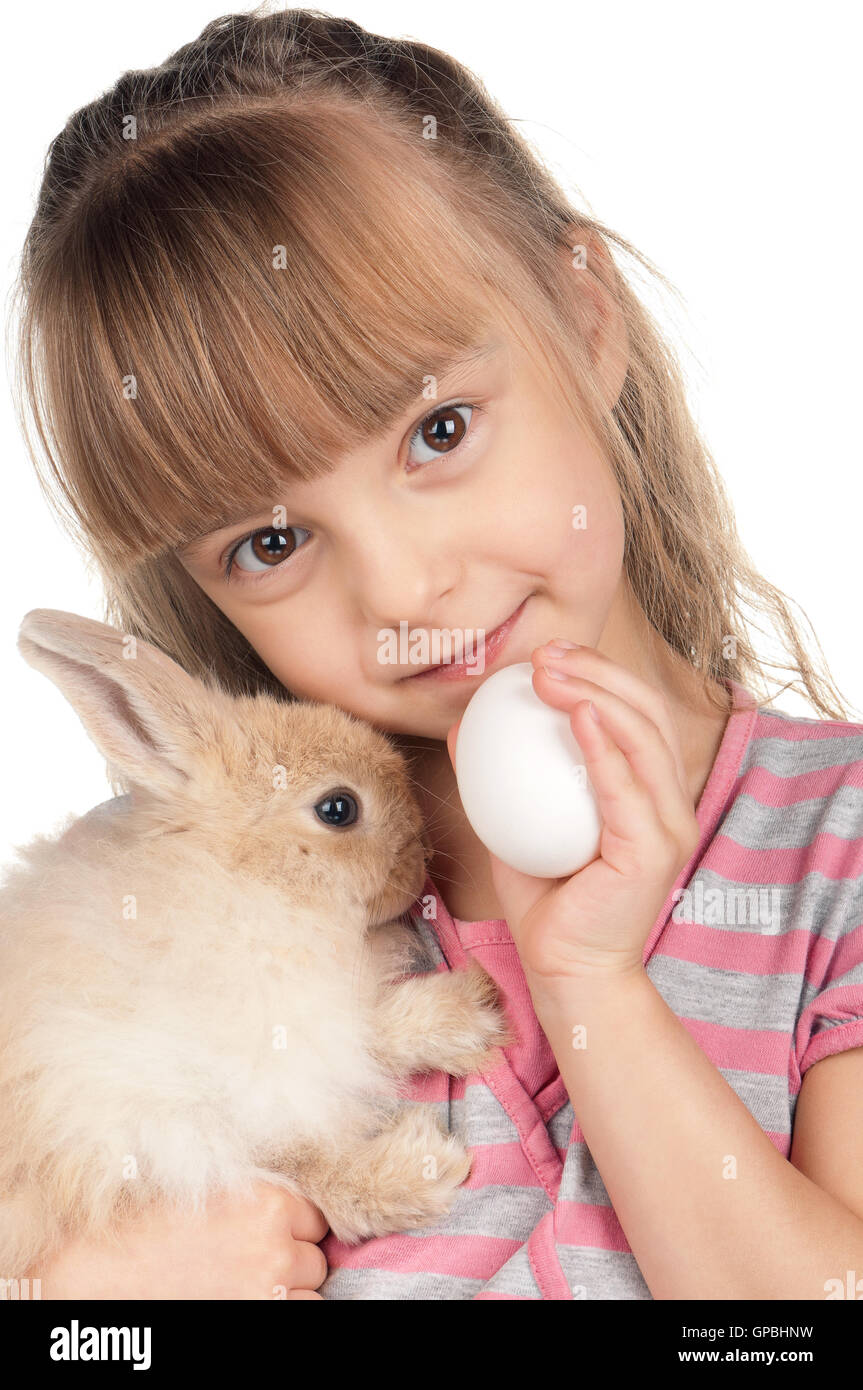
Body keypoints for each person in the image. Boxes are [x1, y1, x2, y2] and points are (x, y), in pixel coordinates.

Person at [12, 8, 863, 1300]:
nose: (404, 586)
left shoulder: (837, 850)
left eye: (440, 428)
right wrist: (70, 1307)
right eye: (274, 538)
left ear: (585, 319)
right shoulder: (174, 919)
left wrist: (592, 989)